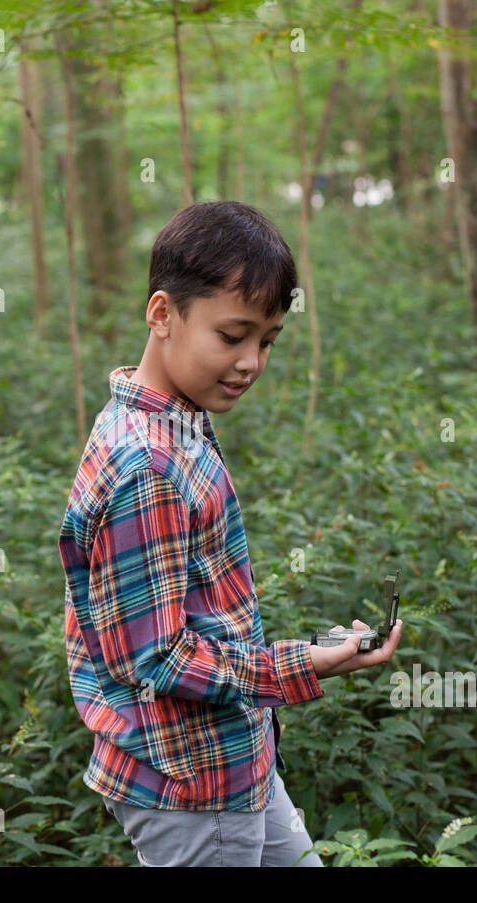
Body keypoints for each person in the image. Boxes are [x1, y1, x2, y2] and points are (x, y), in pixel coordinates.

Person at [57, 200, 402, 867]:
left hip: (230, 755)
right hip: (191, 785)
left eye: (267, 340)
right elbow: (155, 659)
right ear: (162, 315)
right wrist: (301, 662)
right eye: (233, 335)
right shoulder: (148, 467)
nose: (251, 362)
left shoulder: (171, 424)